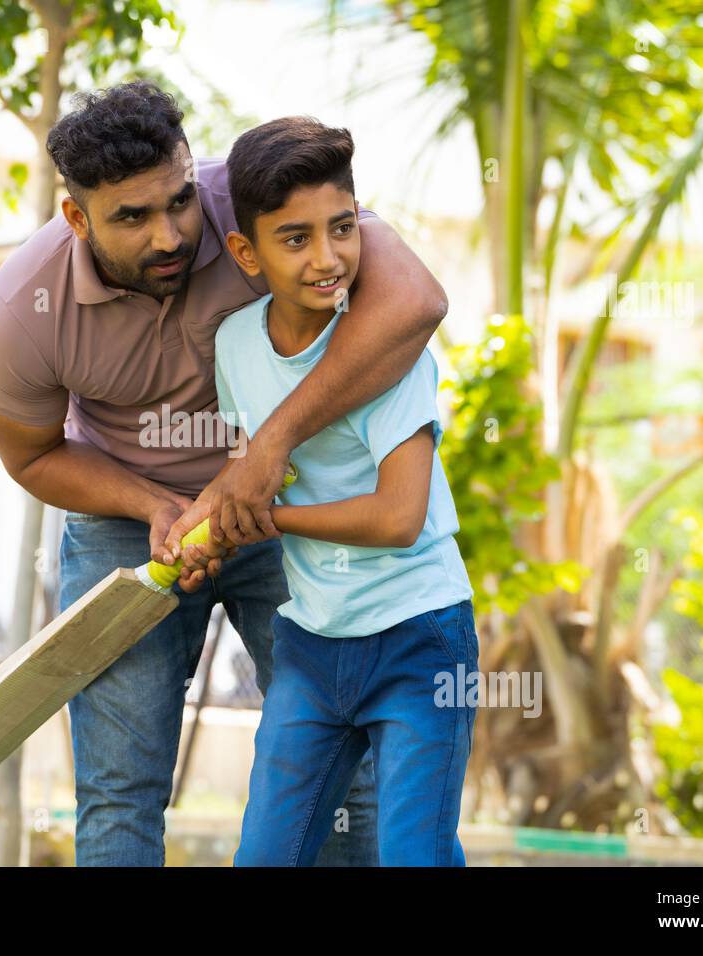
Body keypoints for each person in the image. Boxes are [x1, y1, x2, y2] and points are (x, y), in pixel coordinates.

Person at [0, 81, 450, 866]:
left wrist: (266, 455)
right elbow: (33, 455)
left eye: (180, 200)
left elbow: (416, 300)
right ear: (77, 218)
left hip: (286, 509)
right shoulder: (22, 312)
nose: (171, 235)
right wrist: (160, 506)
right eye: (132, 217)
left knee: (348, 767)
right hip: (128, 525)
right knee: (121, 788)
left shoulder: (258, 202)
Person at [199, 115, 477, 865]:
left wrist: (269, 519)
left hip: (420, 640)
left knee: (415, 854)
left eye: (343, 228)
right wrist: (202, 522)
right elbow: (255, 466)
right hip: (312, 646)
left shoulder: (388, 351)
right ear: (245, 253)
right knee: (266, 856)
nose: (329, 258)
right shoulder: (234, 344)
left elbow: (397, 517)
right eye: (296, 239)